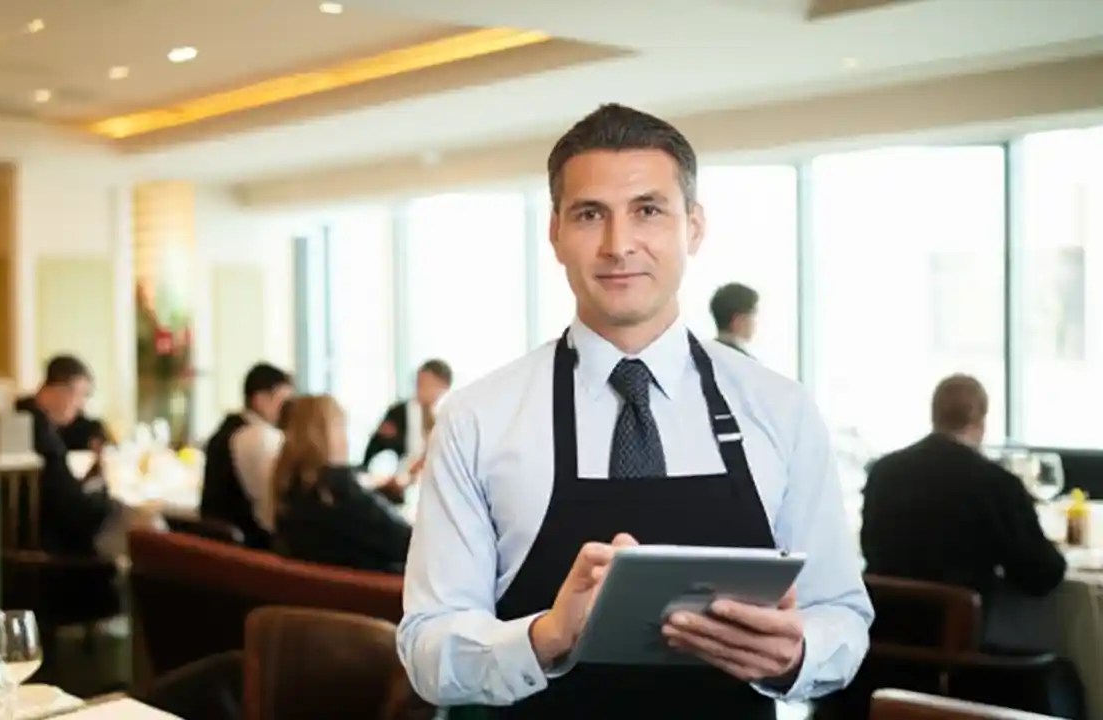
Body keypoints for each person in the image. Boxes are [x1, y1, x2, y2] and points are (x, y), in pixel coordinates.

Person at [396, 104, 871, 718]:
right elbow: (426, 647)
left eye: (648, 210)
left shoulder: (781, 409)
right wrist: (546, 637)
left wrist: (798, 654)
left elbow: (841, 613)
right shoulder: (478, 418)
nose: (619, 246)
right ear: (556, 233)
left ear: (693, 228)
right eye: (590, 214)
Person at [861, 374, 1065, 600]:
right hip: (954, 627)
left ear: (934, 417)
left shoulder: (883, 472)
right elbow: (1042, 575)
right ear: (981, 422)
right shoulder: (995, 483)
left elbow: (870, 547)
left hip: (882, 622)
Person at [273, 395, 412, 573]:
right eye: (341, 427)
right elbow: (407, 543)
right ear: (325, 434)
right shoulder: (337, 489)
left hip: (324, 592)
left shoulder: (289, 486)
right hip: (372, 592)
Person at [16, 355, 122, 556]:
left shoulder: (23, 417)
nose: (81, 405)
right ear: (60, 392)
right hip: (53, 559)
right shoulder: (42, 436)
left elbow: (88, 427)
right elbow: (75, 512)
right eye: (80, 395)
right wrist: (104, 496)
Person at [200, 363, 294, 549]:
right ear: (260, 400)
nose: (288, 411)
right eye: (283, 402)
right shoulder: (259, 437)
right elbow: (269, 510)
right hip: (247, 546)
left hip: (218, 542)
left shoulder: (227, 429)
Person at [363, 359, 453, 475]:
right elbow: (375, 452)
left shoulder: (448, 417)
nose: (423, 388)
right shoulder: (397, 413)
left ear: (444, 388)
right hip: (401, 479)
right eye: (421, 383)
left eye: (432, 384)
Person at [710, 282, 758, 356]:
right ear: (738, 321)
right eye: (753, 314)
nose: (754, 321)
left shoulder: (699, 354)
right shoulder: (745, 363)